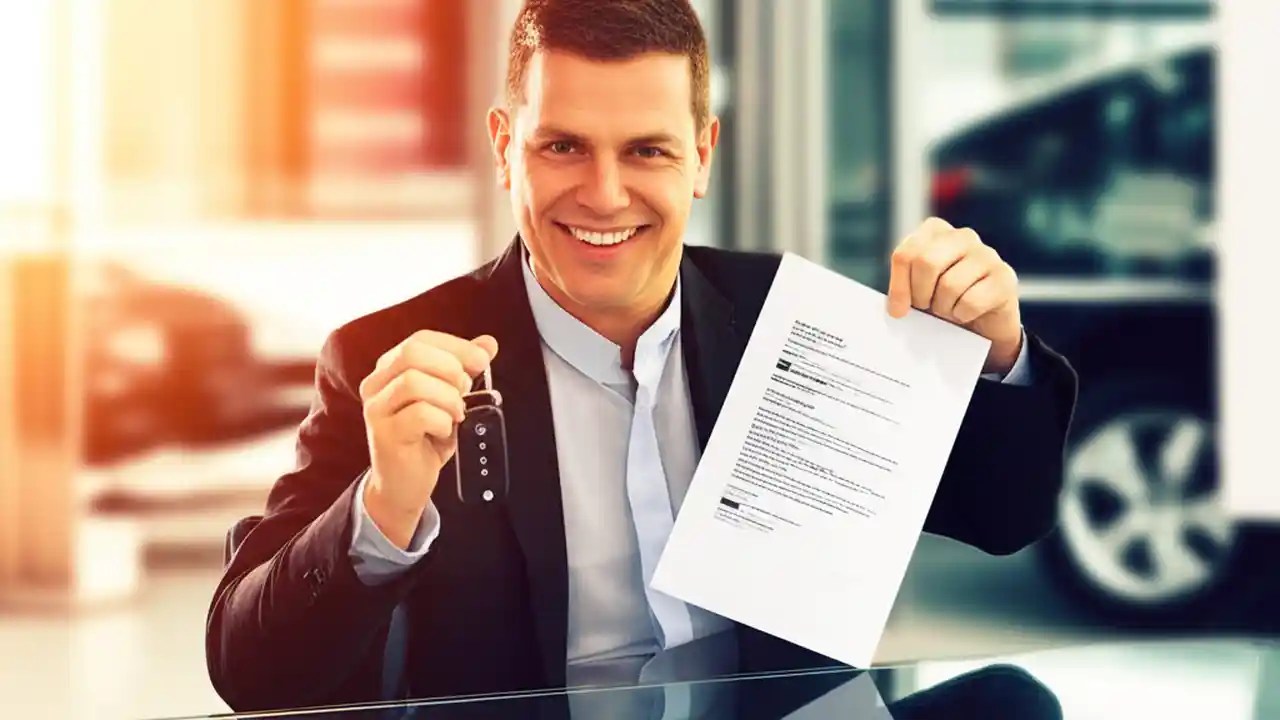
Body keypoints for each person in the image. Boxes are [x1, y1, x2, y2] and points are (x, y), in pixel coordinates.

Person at [206, 1, 1078, 718]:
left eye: (647, 150)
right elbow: (249, 671)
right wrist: (383, 508)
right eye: (563, 146)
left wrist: (998, 350)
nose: (605, 193)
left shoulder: (786, 315)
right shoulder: (387, 358)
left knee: (1015, 704)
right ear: (505, 144)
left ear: (701, 155)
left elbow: (1005, 520)